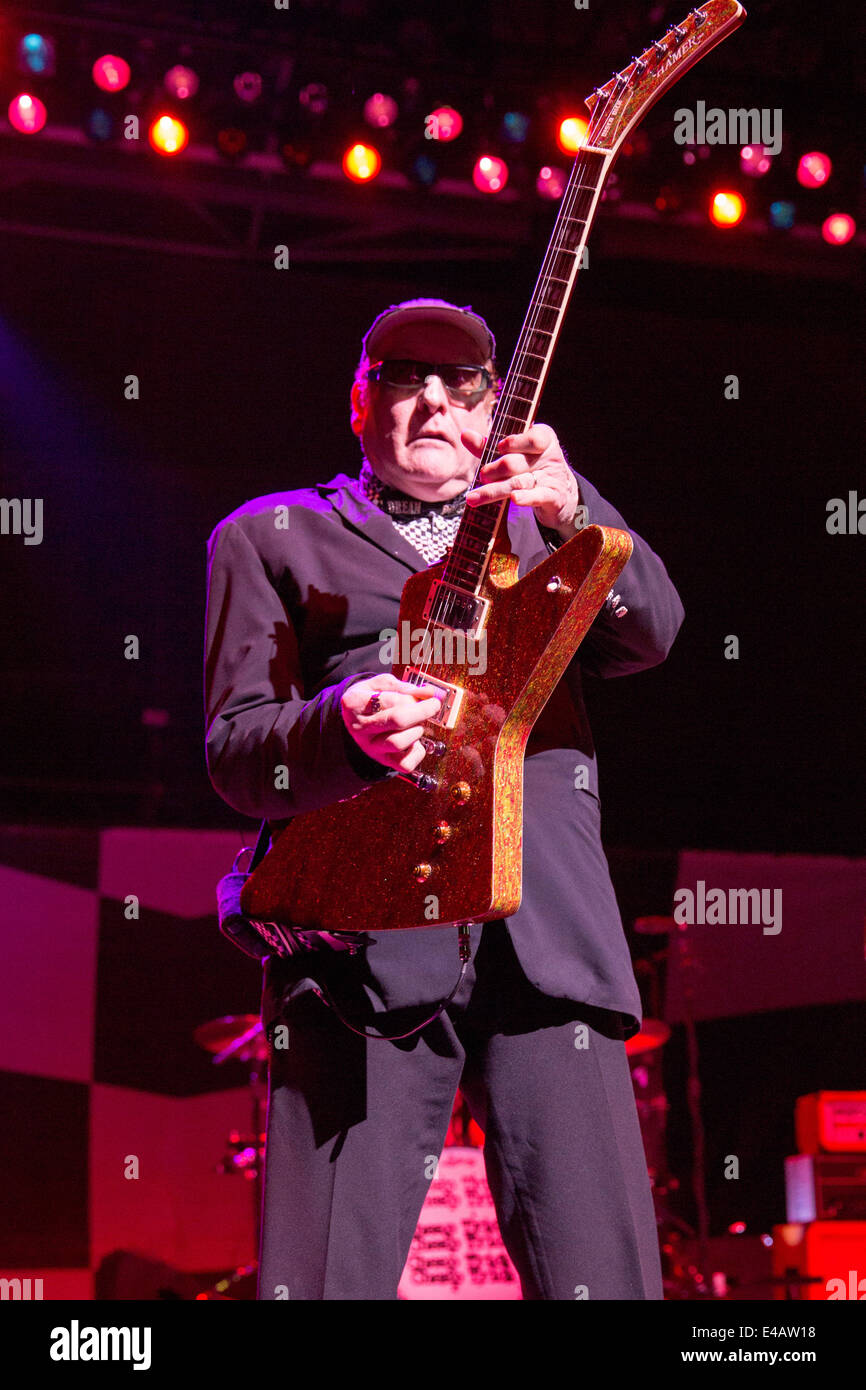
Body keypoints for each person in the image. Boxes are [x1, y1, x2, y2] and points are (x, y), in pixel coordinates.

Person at [204, 297, 684, 1300]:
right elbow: (237, 751)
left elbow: (651, 635)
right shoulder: (272, 537)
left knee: (604, 1275)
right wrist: (340, 724)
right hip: (358, 945)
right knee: (323, 1280)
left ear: (496, 403)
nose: (430, 399)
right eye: (401, 376)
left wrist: (571, 508)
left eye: (459, 381)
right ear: (357, 399)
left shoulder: (549, 530)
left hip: (544, 936)